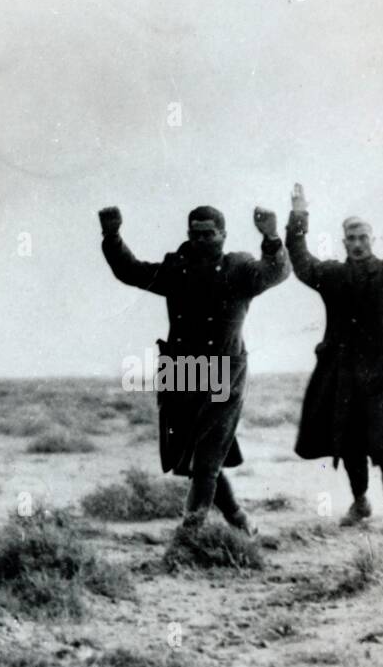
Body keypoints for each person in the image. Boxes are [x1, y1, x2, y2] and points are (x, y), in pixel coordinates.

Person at [99, 200, 288, 537]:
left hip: (224, 371)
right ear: (188, 234)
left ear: (223, 235)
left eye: (209, 234)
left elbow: (275, 272)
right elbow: (131, 271)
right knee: (192, 459)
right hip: (181, 371)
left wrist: (272, 236)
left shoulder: (239, 269)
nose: (202, 241)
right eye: (196, 234)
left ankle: (190, 532)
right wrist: (112, 236)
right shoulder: (177, 269)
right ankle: (240, 520)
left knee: (207, 458)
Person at [285, 183, 383, 532]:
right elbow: (301, 262)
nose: (358, 243)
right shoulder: (332, 275)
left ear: (373, 240)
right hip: (344, 371)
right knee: (349, 439)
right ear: (344, 242)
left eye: (363, 236)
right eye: (352, 238)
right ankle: (361, 501)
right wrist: (299, 215)